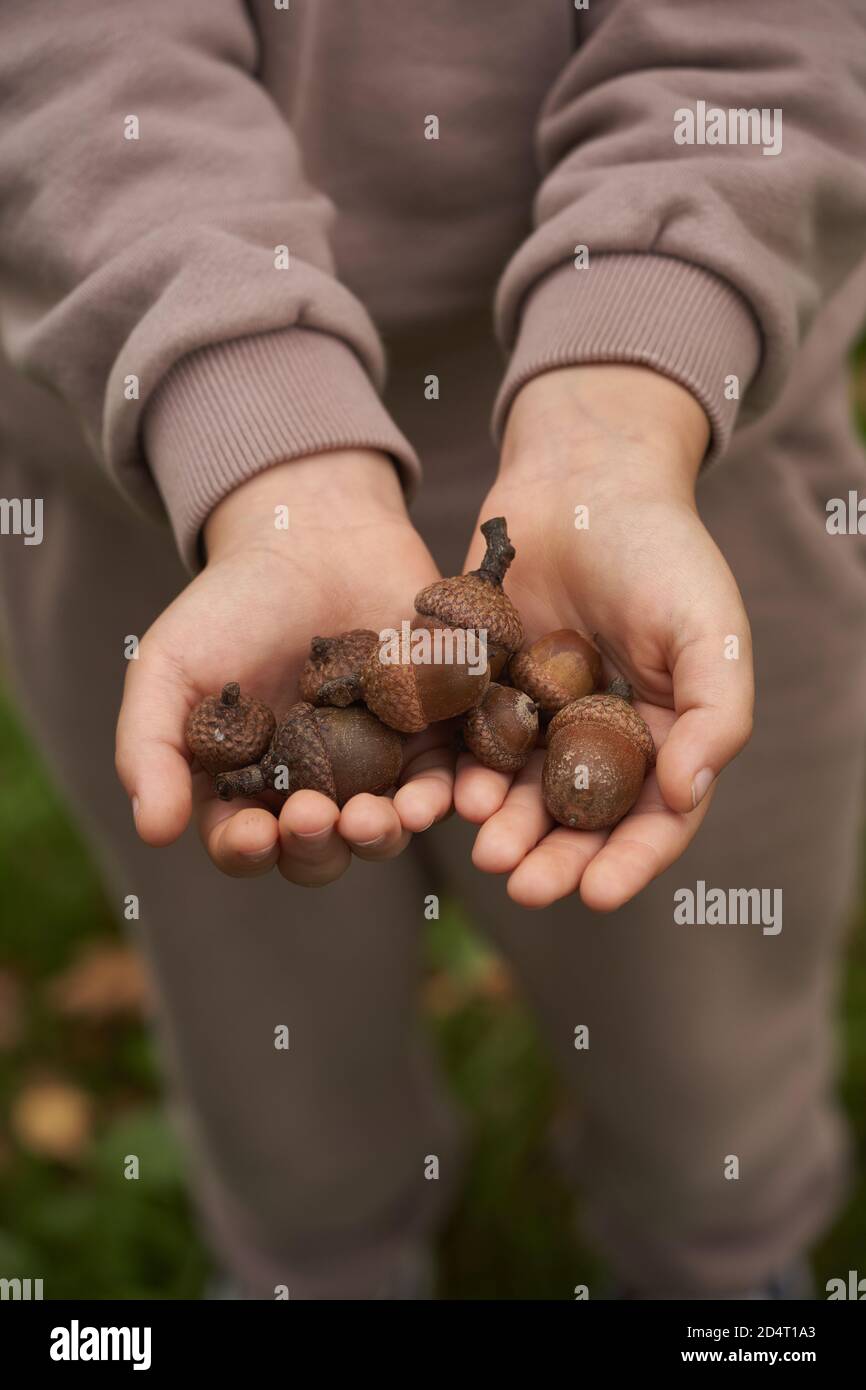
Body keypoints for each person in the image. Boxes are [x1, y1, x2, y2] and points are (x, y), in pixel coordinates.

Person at [1, 0, 864, 1299]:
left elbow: (770, 43)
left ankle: (719, 1257)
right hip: (161, 450)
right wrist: (254, 419)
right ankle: (317, 1260)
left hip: (682, 432)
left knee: (703, 1040)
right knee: (272, 1052)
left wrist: (631, 391)